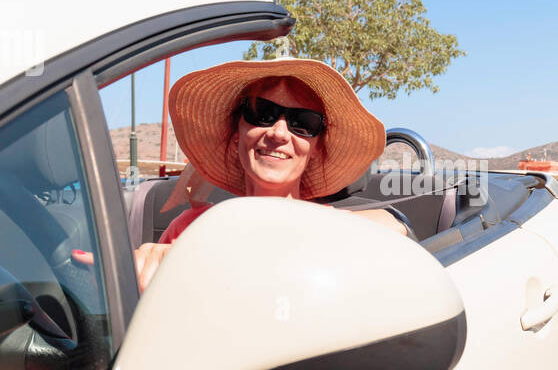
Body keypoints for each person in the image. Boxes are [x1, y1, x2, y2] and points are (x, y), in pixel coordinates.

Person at [132, 58, 407, 290]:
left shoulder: (336, 229)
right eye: (261, 112)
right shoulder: (189, 229)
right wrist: (144, 268)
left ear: (316, 147)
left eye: (303, 123)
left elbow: (397, 227)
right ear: (236, 132)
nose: (278, 133)